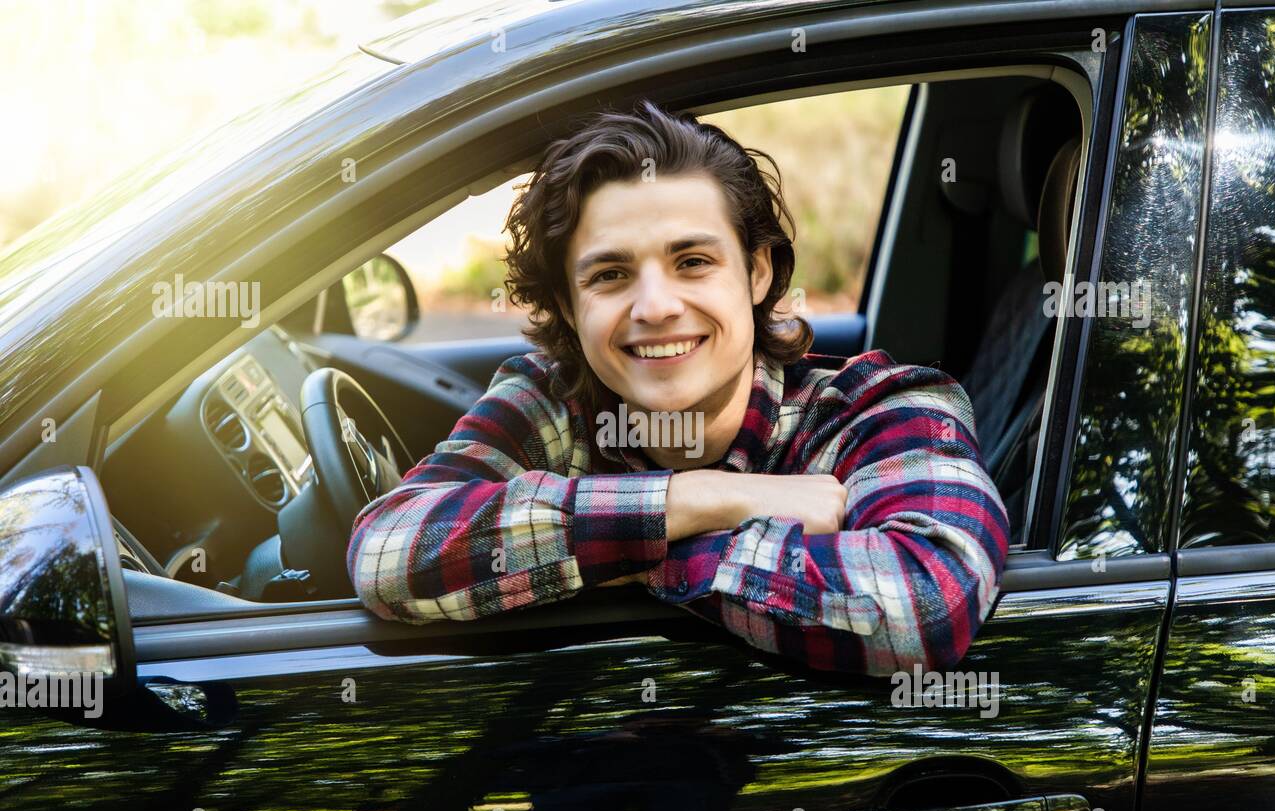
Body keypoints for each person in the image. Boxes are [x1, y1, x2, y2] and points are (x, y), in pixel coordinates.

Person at [347, 99, 1009, 676]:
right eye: (610, 275)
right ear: (570, 306)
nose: (656, 306)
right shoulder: (548, 402)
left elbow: (924, 603)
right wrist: (698, 499)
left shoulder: (884, 407)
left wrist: (630, 555)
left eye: (692, 262)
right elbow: (387, 551)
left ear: (755, 274)